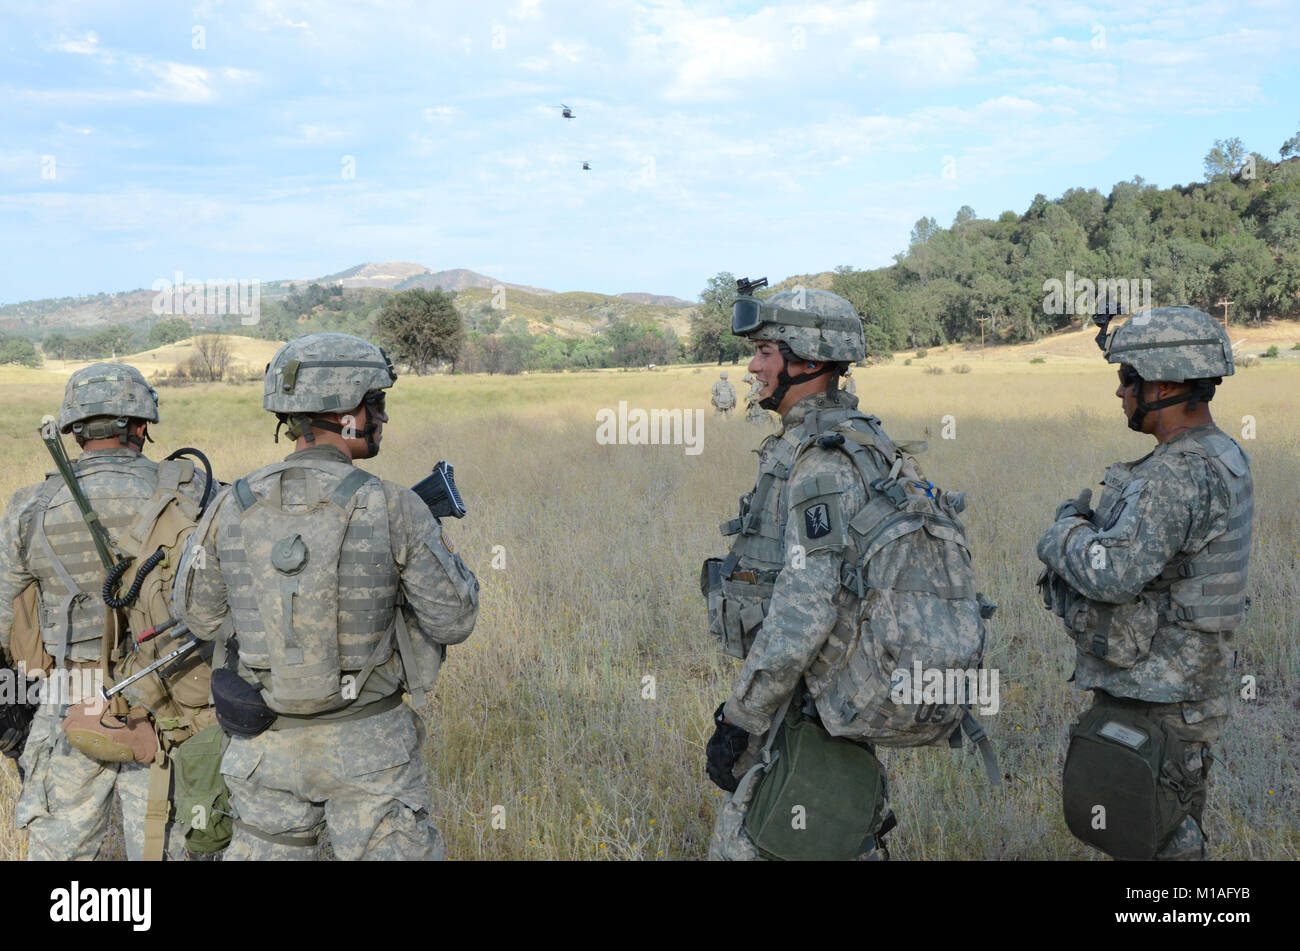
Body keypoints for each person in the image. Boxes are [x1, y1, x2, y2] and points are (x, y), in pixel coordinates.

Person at [179, 332, 479, 860]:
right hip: (370, 753)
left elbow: (199, 616)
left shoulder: (228, 506)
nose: (382, 418)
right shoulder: (394, 505)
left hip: (263, 752)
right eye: (376, 404)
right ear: (347, 410)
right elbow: (454, 619)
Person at [1037, 305, 1252, 861]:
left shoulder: (1176, 473)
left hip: (1161, 692)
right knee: (1160, 826)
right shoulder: (1220, 454)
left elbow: (1112, 575)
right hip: (1183, 686)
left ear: (1162, 384)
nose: (1120, 394)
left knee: (1159, 839)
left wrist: (1062, 533)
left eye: (1126, 379)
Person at [702, 288, 895, 860]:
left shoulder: (824, 462)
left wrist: (742, 716)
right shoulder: (845, 439)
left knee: (755, 844)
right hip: (822, 700)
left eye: (765, 351)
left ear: (808, 361)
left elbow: (805, 605)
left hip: (811, 704)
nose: (753, 366)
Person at [0, 363, 209, 860]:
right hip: (170, 694)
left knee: (61, 853)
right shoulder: (193, 493)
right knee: (168, 843)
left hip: (68, 698)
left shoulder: (31, 505)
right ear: (141, 425)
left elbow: (6, 616)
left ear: (73, 430)